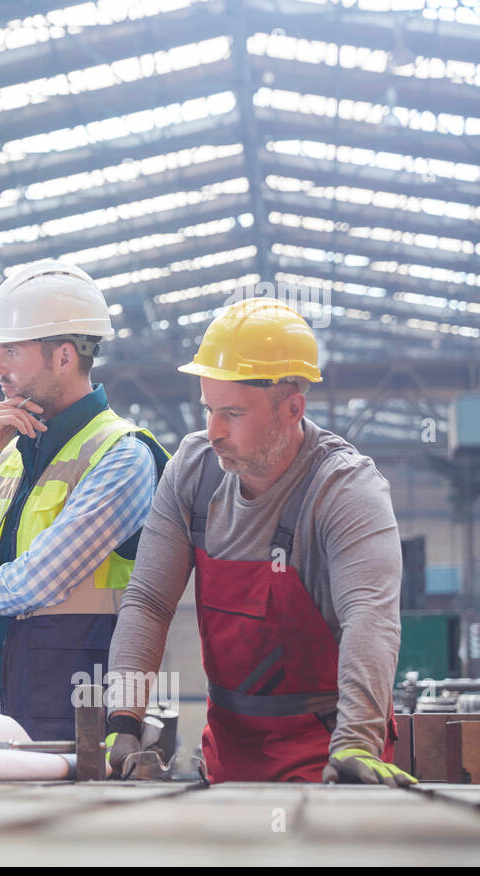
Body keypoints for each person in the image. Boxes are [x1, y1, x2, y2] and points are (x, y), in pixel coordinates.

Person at [104, 297, 411, 785]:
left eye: (232, 413)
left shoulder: (346, 488)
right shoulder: (193, 471)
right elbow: (147, 602)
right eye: (208, 409)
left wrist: (357, 741)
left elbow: (370, 619)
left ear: (293, 408)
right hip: (229, 751)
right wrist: (122, 723)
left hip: (324, 752)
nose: (213, 431)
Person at [0, 259, 168, 740]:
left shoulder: (122, 455)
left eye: (11, 350)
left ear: (64, 357)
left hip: (70, 709)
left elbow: (44, 577)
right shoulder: (8, 454)